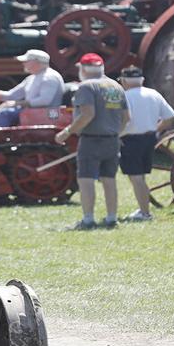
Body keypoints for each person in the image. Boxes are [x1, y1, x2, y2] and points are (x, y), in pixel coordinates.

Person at [55, 53, 128, 230]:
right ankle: (111, 218)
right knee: (109, 179)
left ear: (84, 69)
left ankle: (88, 219)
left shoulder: (86, 87)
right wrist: (116, 133)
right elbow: (126, 117)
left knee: (86, 179)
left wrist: (68, 131)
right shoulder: (115, 86)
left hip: (91, 140)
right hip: (112, 139)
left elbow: (88, 114)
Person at [116, 66, 174, 221]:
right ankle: (143, 209)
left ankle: (145, 212)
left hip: (129, 139)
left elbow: (122, 120)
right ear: (142, 80)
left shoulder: (124, 96)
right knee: (139, 177)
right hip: (149, 138)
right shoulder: (153, 94)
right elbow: (169, 117)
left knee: (136, 178)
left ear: (123, 81)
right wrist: (156, 129)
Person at [0, 49, 64, 128]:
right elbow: (9, 95)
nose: (23, 63)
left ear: (36, 62)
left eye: (27, 61)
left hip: (45, 114)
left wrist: (16, 103)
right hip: (32, 111)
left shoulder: (50, 77)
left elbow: (44, 101)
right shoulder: (32, 78)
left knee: (4, 114)